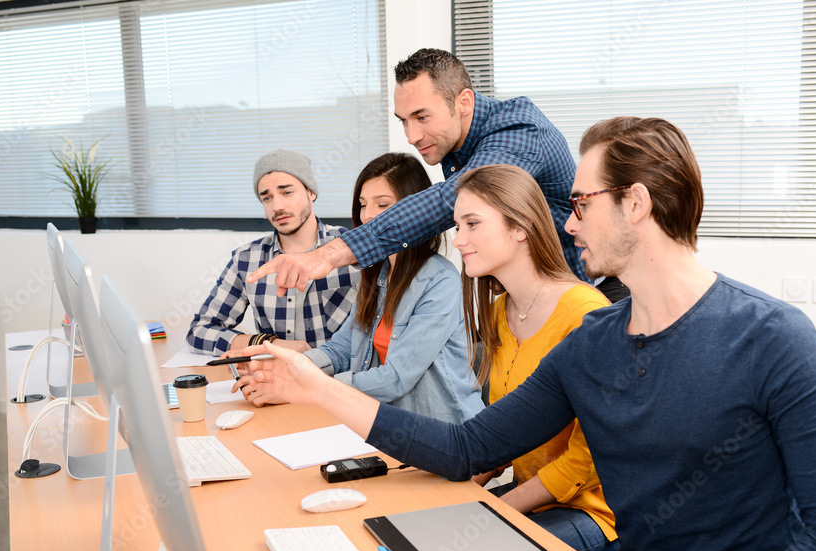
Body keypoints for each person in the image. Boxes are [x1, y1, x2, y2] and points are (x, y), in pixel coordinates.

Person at [241, 117, 816, 551]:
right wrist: (317, 388)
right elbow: (468, 449)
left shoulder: (772, 338)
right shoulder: (594, 342)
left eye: (580, 204)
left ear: (635, 204)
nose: (568, 225)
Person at [245, 48, 625, 299]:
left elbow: (451, 198)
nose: (412, 136)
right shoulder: (455, 142)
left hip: (588, 291)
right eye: (404, 120)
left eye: (422, 117)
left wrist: (329, 255)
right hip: (534, 293)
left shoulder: (518, 131)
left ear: (464, 101)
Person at [228, 153, 482, 423]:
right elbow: (340, 349)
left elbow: (395, 379)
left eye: (382, 204)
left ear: (414, 213)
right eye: (362, 204)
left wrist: (301, 387)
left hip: (447, 431)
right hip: (389, 422)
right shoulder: (378, 273)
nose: (368, 215)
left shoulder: (440, 280)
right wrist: (283, 370)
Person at [452, 164, 617, 551]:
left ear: (521, 226)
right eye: (458, 226)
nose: (458, 240)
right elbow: (505, 433)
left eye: (472, 224)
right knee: (431, 530)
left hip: (592, 511)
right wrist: (456, 490)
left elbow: (587, 458)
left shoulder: (584, 313)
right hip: (533, 498)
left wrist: (498, 508)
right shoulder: (498, 312)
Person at [186, 149, 359, 355]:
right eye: (267, 198)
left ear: (311, 192)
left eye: (287, 192)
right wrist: (266, 343)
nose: (277, 206)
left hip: (343, 373)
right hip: (276, 374)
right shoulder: (247, 259)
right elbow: (199, 331)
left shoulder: (352, 247)